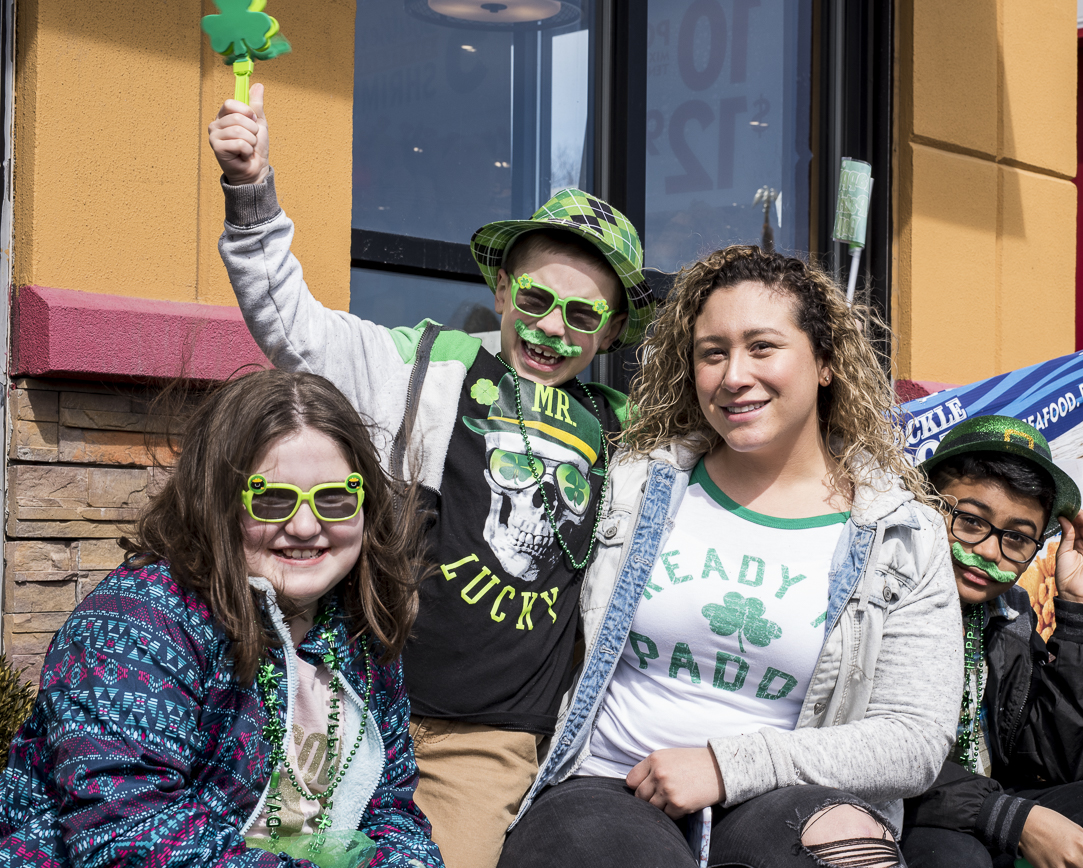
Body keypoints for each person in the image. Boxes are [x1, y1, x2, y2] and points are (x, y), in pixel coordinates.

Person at [208, 85, 653, 867]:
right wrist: (251, 192)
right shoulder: (421, 365)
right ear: (503, 289)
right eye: (537, 299)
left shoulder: (629, 439)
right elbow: (294, 328)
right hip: (355, 699)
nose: (552, 327)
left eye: (583, 315)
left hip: (487, 744)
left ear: (613, 329)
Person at [498, 246, 963, 868]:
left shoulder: (903, 535)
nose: (734, 375)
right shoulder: (632, 483)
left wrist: (727, 766)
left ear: (825, 362)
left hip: (782, 791)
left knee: (850, 850)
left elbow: (913, 740)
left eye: (763, 347)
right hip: (610, 780)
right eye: (712, 353)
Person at [0, 369, 442, 868]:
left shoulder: (359, 629)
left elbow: (389, 809)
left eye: (335, 497)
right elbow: (132, 835)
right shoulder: (137, 623)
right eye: (270, 498)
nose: (304, 526)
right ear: (216, 500)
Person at [901, 415, 1083, 868]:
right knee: (956, 857)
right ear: (927, 505)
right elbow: (874, 759)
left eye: (1017, 538)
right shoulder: (881, 600)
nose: (988, 551)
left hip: (988, 808)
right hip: (899, 810)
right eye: (970, 521)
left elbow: (1056, 763)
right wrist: (1005, 817)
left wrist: (1077, 611)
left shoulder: (1010, 614)